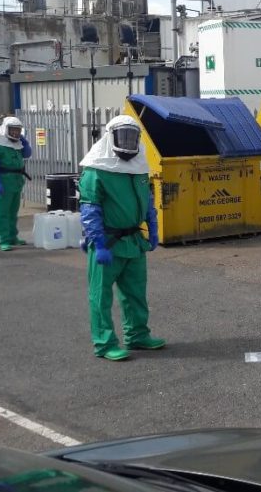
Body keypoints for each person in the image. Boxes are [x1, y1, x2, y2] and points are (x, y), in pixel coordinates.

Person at [78, 115, 161, 361]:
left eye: (132, 136)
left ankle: (137, 335)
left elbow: (147, 201)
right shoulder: (97, 169)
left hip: (134, 242)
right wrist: (98, 242)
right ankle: (104, 343)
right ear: (110, 137)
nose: (127, 142)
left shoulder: (138, 167)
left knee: (135, 292)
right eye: (122, 136)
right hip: (109, 242)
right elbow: (90, 208)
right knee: (100, 295)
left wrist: (153, 229)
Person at [0, 116, 32, 251]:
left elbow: (27, 154)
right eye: (12, 130)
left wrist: (25, 143)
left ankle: (12, 236)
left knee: (13, 211)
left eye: (18, 130)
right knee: (3, 212)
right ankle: (3, 240)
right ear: (6, 129)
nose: (15, 133)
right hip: (4, 180)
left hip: (16, 180)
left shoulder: (16, 142)